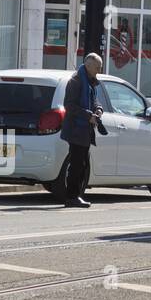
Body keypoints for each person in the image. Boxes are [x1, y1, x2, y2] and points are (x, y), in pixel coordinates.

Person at [59, 53, 105, 209]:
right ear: (88, 65)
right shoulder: (76, 81)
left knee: (83, 163)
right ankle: (72, 197)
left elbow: (95, 101)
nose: (99, 70)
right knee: (77, 163)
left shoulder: (90, 81)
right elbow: (69, 105)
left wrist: (98, 110)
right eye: (97, 67)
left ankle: (76, 195)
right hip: (76, 129)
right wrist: (88, 116)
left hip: (85, 129)